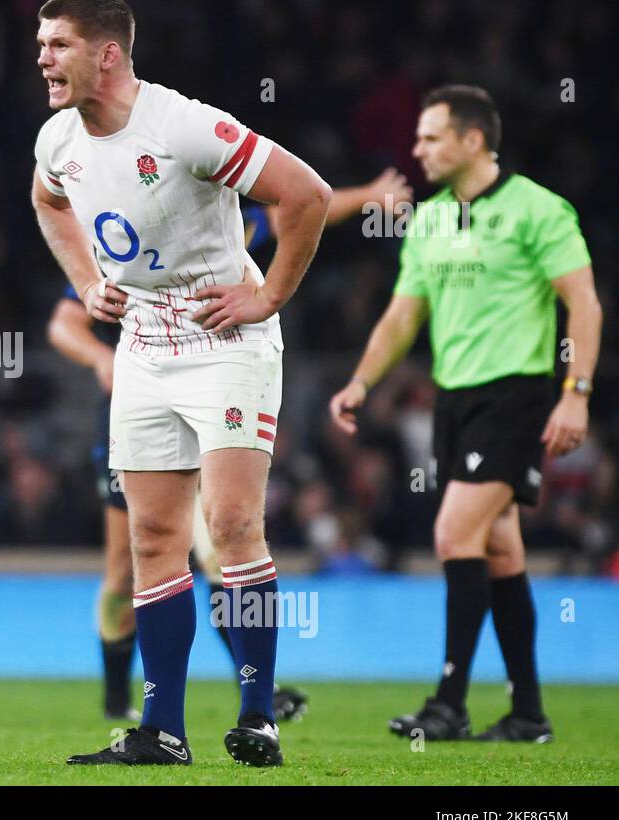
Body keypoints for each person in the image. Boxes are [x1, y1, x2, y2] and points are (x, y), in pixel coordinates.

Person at [32, 0, 330, 767]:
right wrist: (89, 278)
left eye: (57, 45)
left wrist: (266, 295)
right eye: (40, 45)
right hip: (142, 342)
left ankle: (258, 715)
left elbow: (307, 195)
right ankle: (162, 730)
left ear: (108, 53)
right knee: (154, 538)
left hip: (223, 336)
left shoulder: (184, 125)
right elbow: (47, 200)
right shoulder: (57, 140)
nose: (42, 59)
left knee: (231, 526)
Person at [47, 171, 408, 723]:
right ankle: (118, 692)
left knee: (221, 546)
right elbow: (63, 322)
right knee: (126, 567)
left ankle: (255, 693)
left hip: (209, 403)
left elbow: (303, 208)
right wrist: (101, 361)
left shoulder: (224, 236)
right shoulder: (130, 244)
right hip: (134, 408)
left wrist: (368, 198)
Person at [329, 85, 602, 743]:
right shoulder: (428, 220)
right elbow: (402, 315)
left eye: (430, 136)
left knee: (453, 533)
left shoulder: (538, 209)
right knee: (500, 548)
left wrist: (577, 391)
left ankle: (448, 702)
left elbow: (584, 303)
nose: (416, 148)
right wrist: (363, 380)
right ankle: (529, 713)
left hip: (515, 394)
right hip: (455, 400)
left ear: (473, 140)